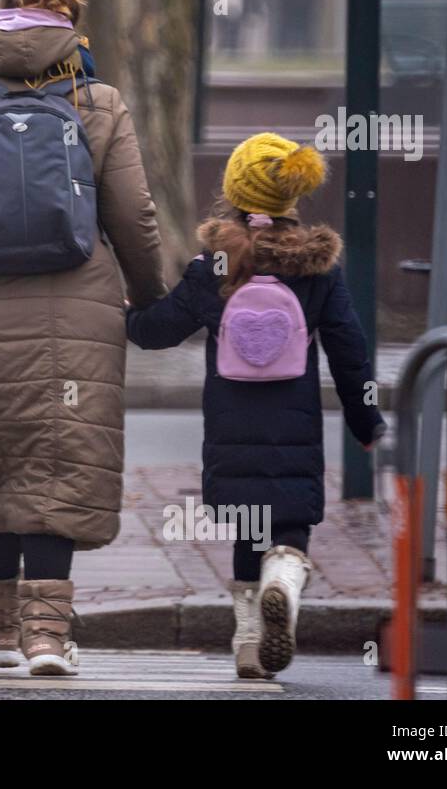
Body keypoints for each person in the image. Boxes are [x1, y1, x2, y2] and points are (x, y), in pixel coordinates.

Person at [0, 0, 167, 677]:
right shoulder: (99, 101)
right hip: (81, 304)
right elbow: (135, 217)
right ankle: (48, 638)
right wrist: (147, 298)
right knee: (57, 468)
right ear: (71, 25)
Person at [128, 133, 385, 678]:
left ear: (233, 192)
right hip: (295, 428)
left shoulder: (212, 267)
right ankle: (285, 581)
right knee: (289, 527)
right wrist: (367, 421)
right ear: (292, 197)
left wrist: (125, 310)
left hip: (231, 427)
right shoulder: (318, 269)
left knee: (250, 527)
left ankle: (248, 642)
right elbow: (350, 353)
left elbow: (157, 333)